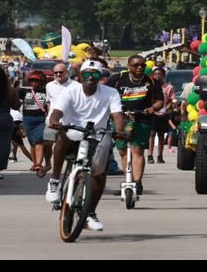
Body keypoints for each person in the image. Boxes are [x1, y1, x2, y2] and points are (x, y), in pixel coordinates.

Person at [45, 61, 127, 232]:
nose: (91, 77)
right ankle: (54, 181)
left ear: (100, 77)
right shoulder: (70, 91)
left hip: (96, 136)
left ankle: (90, 213)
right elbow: (57, 111)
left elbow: (117, 115)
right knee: (62, 140)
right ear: (80, 76)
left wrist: (120, 131)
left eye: (95, 74)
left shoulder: (110, 93)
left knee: (100, 173)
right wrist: (54, 122)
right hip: (71, 132)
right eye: (87, 74)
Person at [109, 55, 160, 197]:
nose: (139, 68)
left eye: (142, 65)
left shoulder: (151, 81)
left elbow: (159, 101)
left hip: (142, 119)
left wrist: (152, 108)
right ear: (129, 66)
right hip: (121, 119)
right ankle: (128, 182)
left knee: (137, 150)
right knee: (123, 151)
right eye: (136, 65)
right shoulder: (117, 79)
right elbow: (104, 96)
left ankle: (137, 182)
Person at [18, 69, 54, 175]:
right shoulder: (24, 92)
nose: (33, 82)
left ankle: (38, 163)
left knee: (38, 141)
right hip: (27, 120)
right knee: (32, 143)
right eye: (31, 80)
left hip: (40, 120)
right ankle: (35, 163)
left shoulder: (47, 92)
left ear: (42, 81)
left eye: (36, 80)